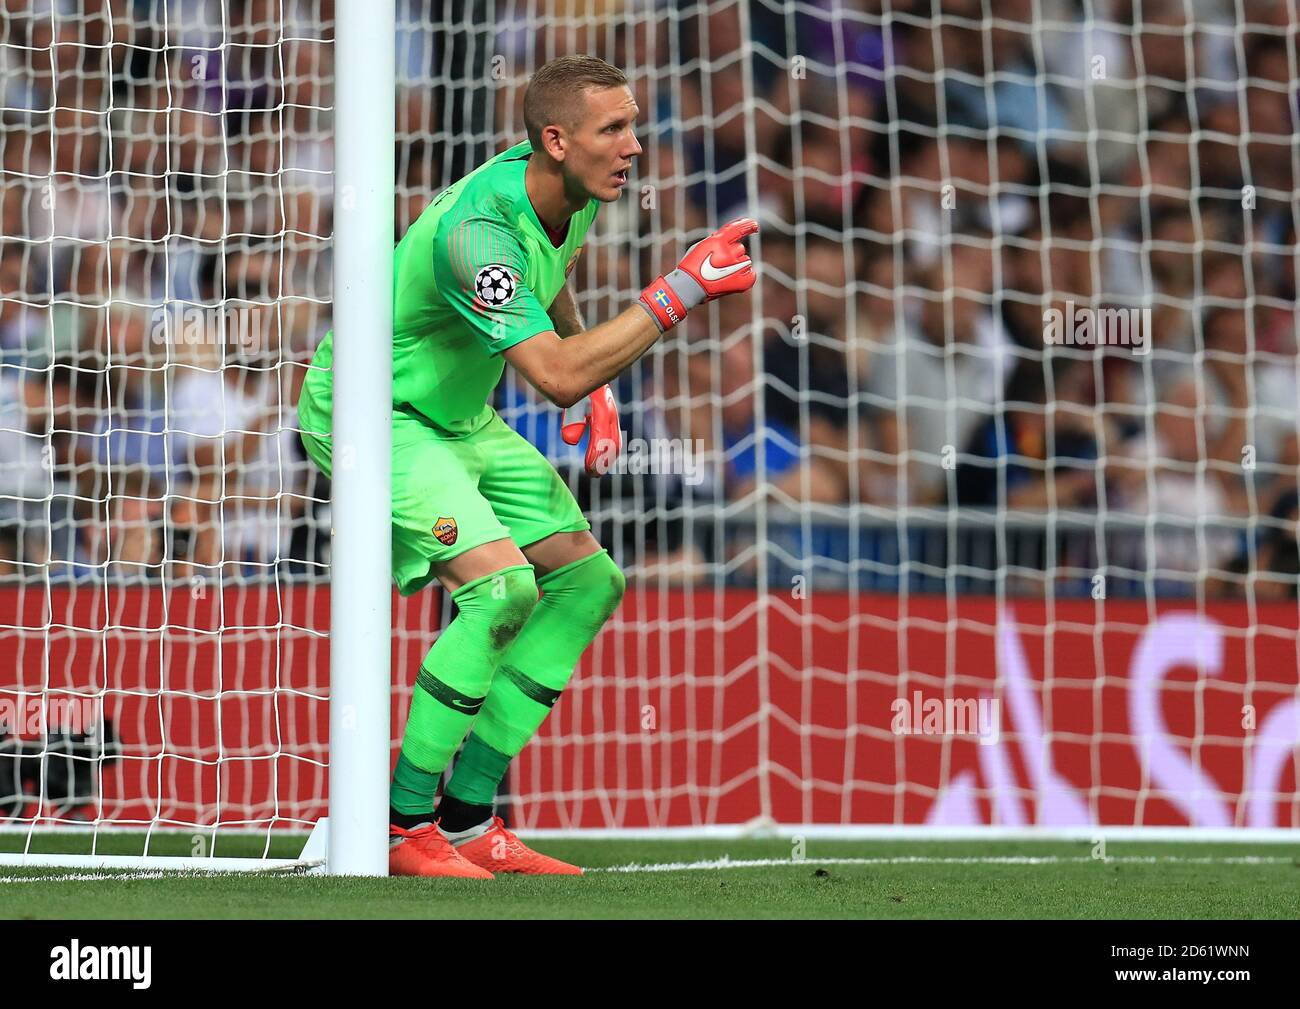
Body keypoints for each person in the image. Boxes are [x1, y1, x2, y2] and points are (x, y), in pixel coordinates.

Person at [296, 56, 757, 878]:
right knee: (501, 587)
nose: (634, 146)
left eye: (633, 124)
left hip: (460, 414)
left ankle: (470, 818)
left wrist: (596, 392)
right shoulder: (481, 230)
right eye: (614, 129)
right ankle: (401, 825)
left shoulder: (573, 193)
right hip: (377, 412)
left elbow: (554, 292)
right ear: (556, 138)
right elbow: (552, 371)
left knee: (590, 580)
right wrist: (677, 290)